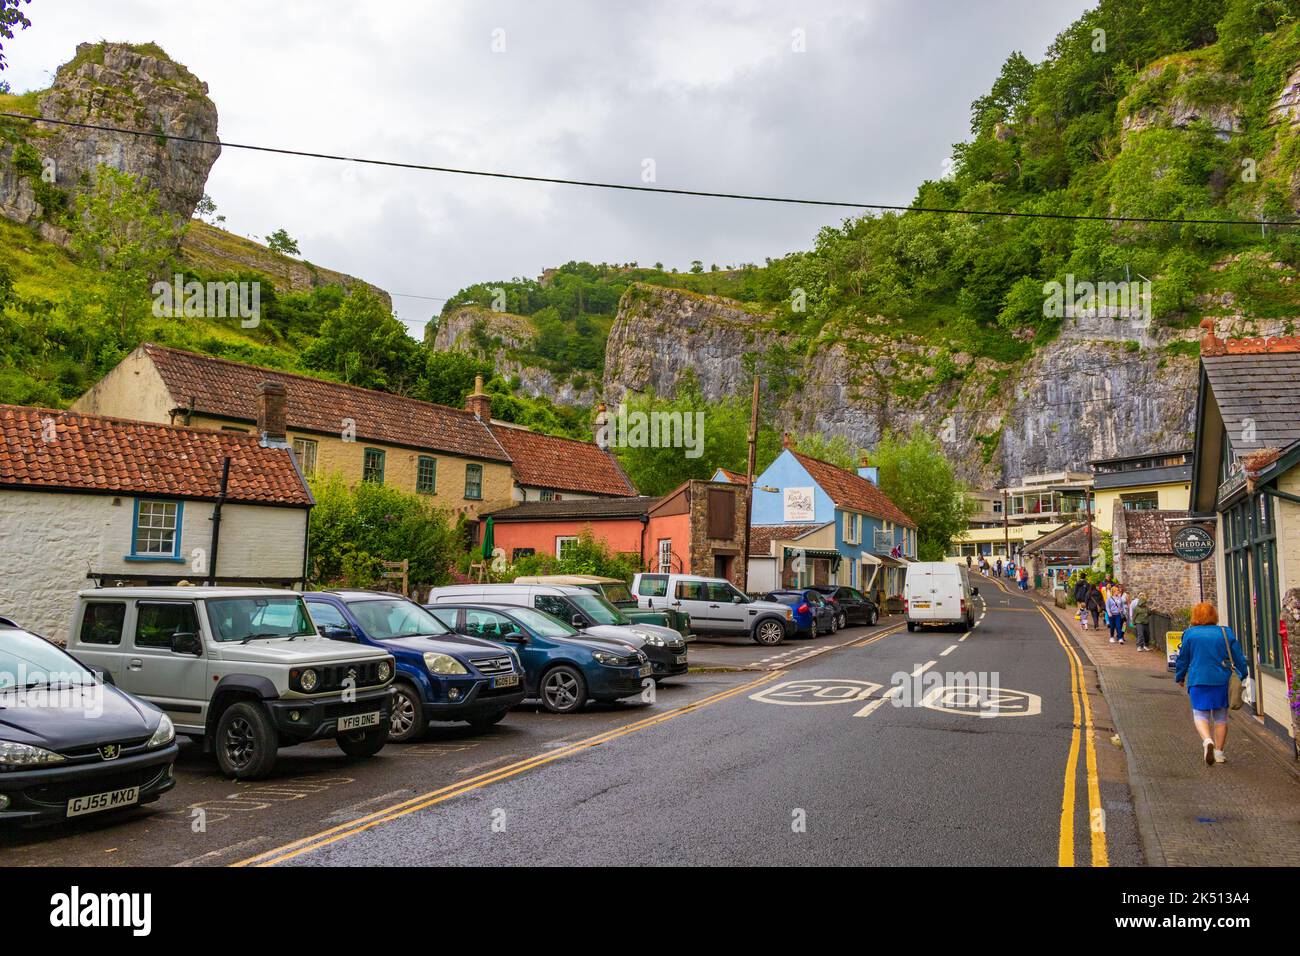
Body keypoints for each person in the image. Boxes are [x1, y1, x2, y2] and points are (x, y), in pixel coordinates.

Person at [1174, 602, 1250, 766]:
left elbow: (1183, 658)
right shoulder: (1225, 632)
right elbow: (1238, 657)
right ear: (1213, 616)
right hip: (1221, 679)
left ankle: (1207, 740)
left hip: (1197, 679)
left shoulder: (1189, 634)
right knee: (1221, 717)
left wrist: (1179, 676)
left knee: (1200, 714)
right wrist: (1242, 674)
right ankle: (1219, 753)